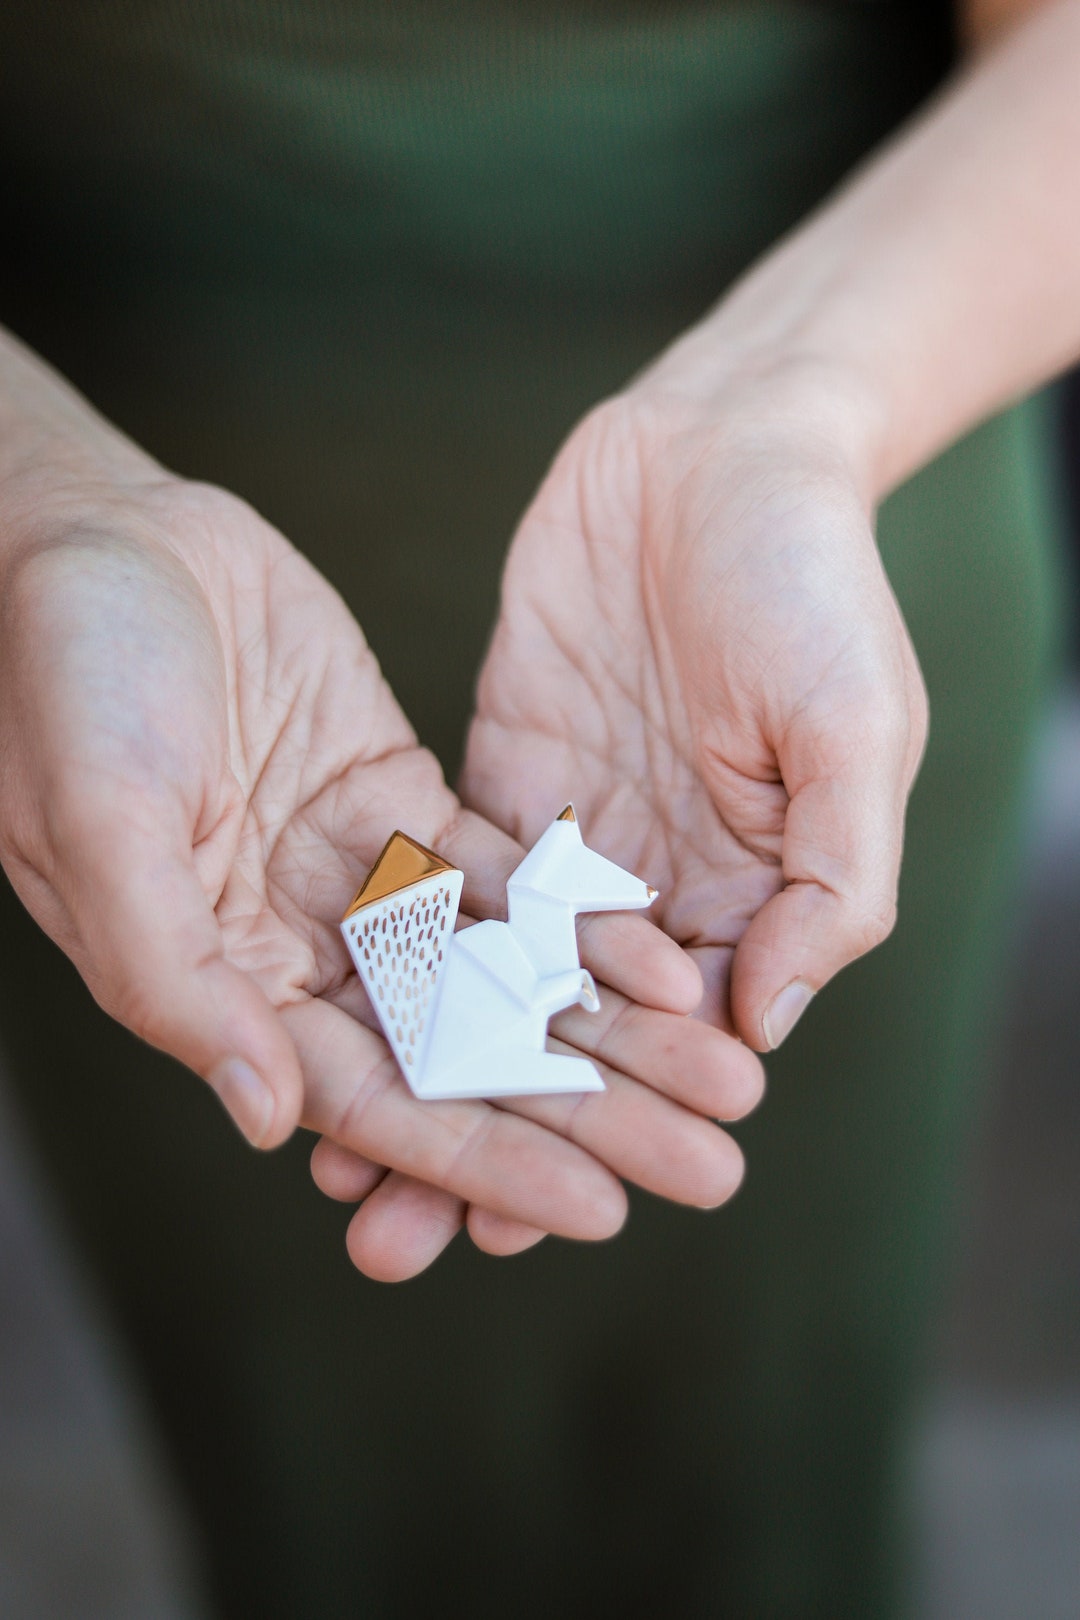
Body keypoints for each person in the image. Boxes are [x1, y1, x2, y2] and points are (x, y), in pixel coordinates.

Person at [0, 0, 1075, 1614]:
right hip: (147, 698)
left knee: (767, 1482)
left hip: (769, 589)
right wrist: (33, 511)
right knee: (323, 1485)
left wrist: (794, 405)